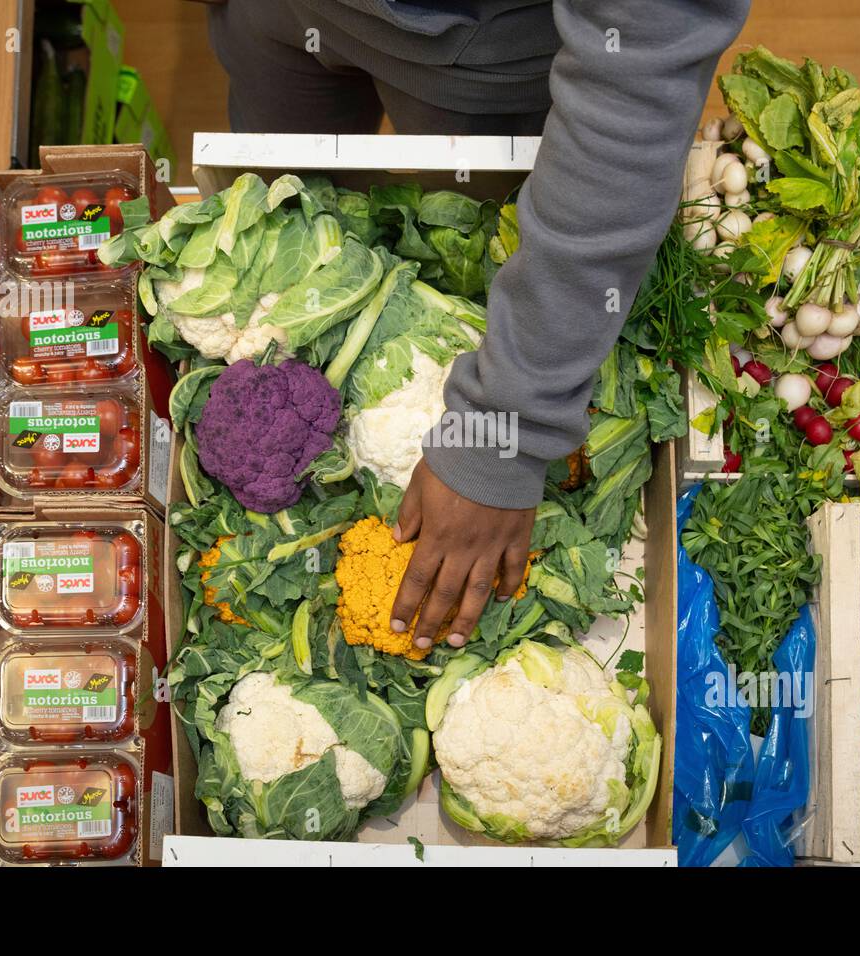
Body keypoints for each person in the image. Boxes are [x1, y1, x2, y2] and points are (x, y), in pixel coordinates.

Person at [207, 0, 750, 651]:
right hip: (272, 21)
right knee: (301, 213)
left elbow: (633, 92)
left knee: (464, 221)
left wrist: (505, 432)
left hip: (471, 54)